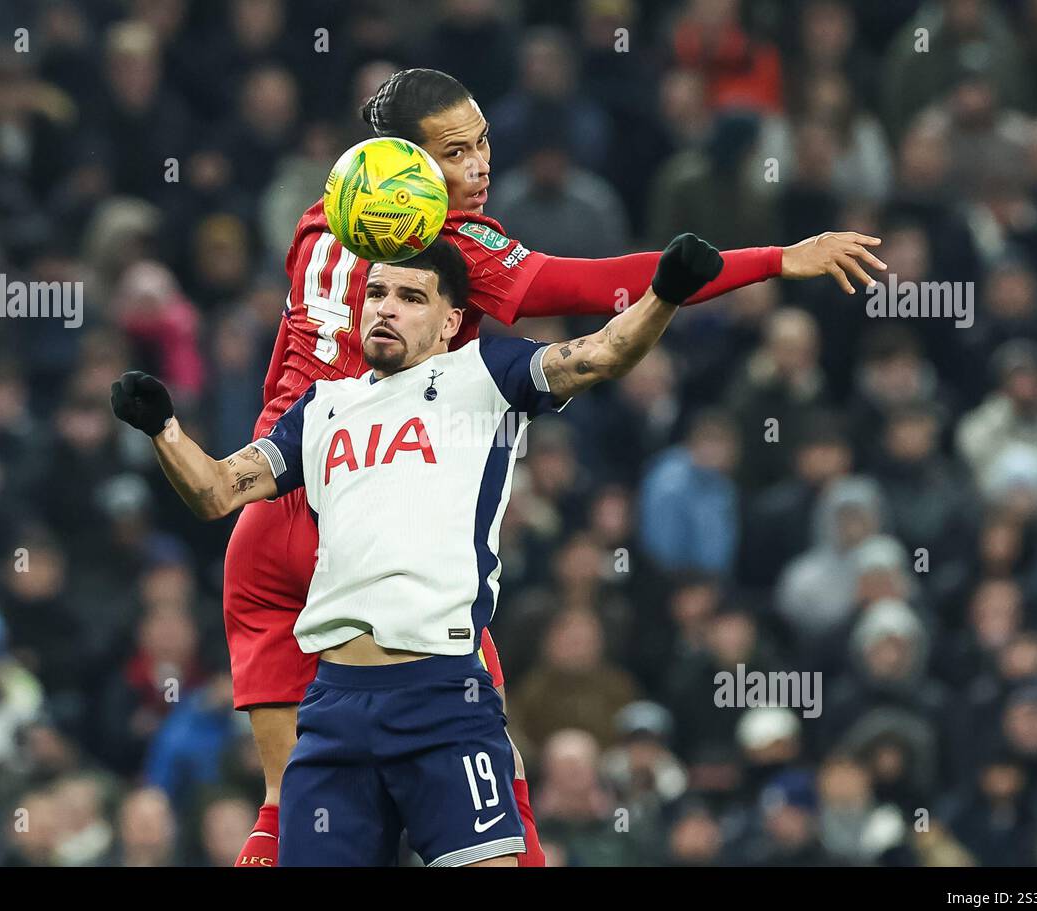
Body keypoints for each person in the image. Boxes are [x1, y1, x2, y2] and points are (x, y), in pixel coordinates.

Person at [223, 66, 887, 866]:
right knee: (494, 779)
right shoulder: (445, 250)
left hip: (268, 519)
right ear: (404, 166)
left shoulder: (316, 219)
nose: (479, 167)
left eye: (483, 143)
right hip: (374, 524)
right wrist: (777, 258)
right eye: (455, 153)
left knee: (285, 805)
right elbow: (602, 288)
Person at [112, 232, 726, 864]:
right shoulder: (324, 406)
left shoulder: (485, 375)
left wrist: (664, 295)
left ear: (450, 320)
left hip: (443, 697)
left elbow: (595, 355)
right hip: (332, 710)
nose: (386, 307)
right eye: (376, 292)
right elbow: (217, 491)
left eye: (410, 296)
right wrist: (164, 429)